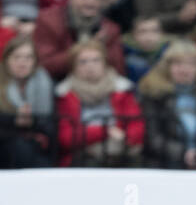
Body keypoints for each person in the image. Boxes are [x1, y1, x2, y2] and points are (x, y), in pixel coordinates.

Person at [138, 36, 196, 168]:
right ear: (167, 67)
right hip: (166, 166)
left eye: (191, 64)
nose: (185, 69)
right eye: (178, 64)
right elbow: (153, 137)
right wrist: (183, 153)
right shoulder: (154, 95)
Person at [55, 36, 143, 165]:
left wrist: (125, 138)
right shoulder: (64, 93)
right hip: (83, 156)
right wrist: (105, 131)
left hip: (120, 150)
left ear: (105, 63)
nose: (90, 66)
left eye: (96, 60)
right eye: (83, 62)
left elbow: (137, 125)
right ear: (73, 66)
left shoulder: (122, 89)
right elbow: (66, 137)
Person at [34, 0, 124, 78]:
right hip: (59, 80)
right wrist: (85, 48)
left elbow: (118, 70)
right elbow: (45, 65)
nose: (91, 2)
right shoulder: (49, 21)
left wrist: (102, 51)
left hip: (97, 82)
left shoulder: (110, 29)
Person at [0, 31, 53, 165]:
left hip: (35, 146)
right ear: (6, 59)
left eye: (28, 58)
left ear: (35, 61)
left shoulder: (44, 82)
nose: (22, 63)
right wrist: (13, 121)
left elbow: (52, 125)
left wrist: (33, 121)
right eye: (17, 57)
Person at [122, 13, 166, 86]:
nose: (149, 37)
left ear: (162, 33)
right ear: (133, 34)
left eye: (154, 31)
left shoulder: (170, 54)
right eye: (142, 31)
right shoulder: (124, 57)